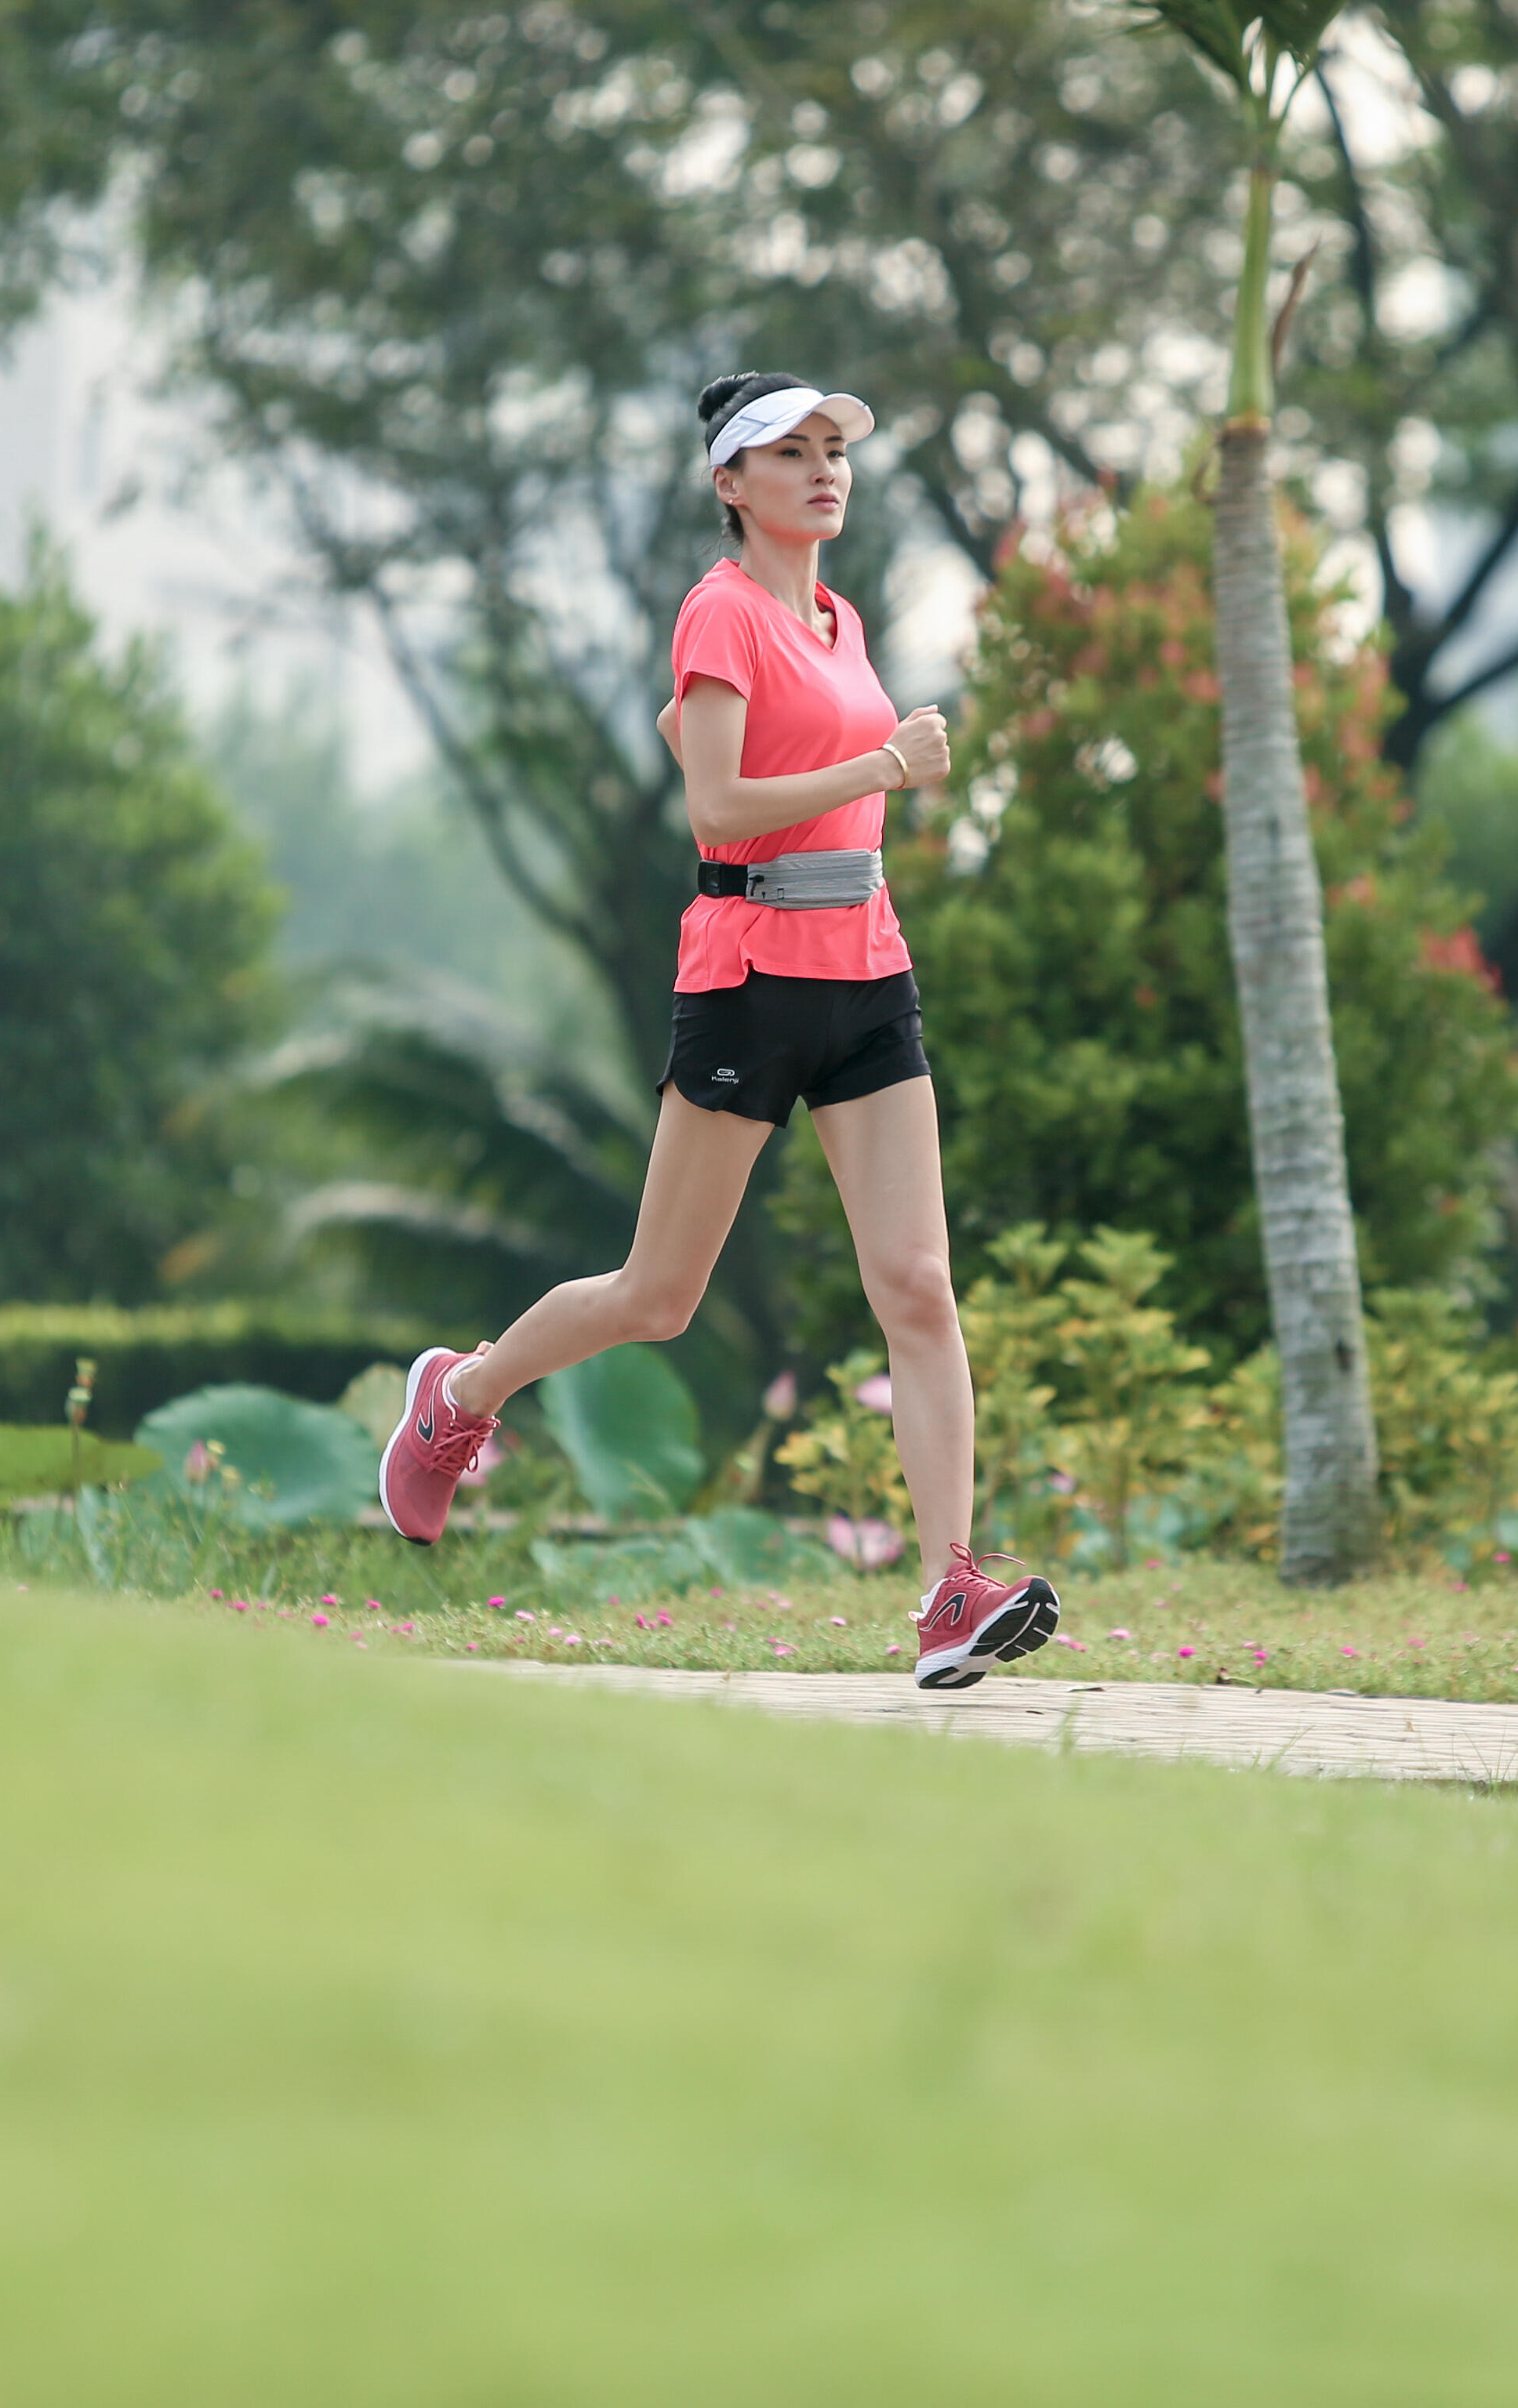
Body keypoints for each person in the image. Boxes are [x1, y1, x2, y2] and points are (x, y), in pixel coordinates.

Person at [380, 370, 1061, 1689]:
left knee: (917, 1286)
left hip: (867, 967)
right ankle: (458, 1399)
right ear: (729, 486)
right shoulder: (720, 611)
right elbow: (723, 809)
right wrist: (882, 768)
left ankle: (951, 1588)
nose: (825, 471)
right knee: (659, 1295)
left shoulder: (838, 616)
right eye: (789, 453)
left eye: (835, 451)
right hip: (749, 975)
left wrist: (861, 777)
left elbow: (774, 755)